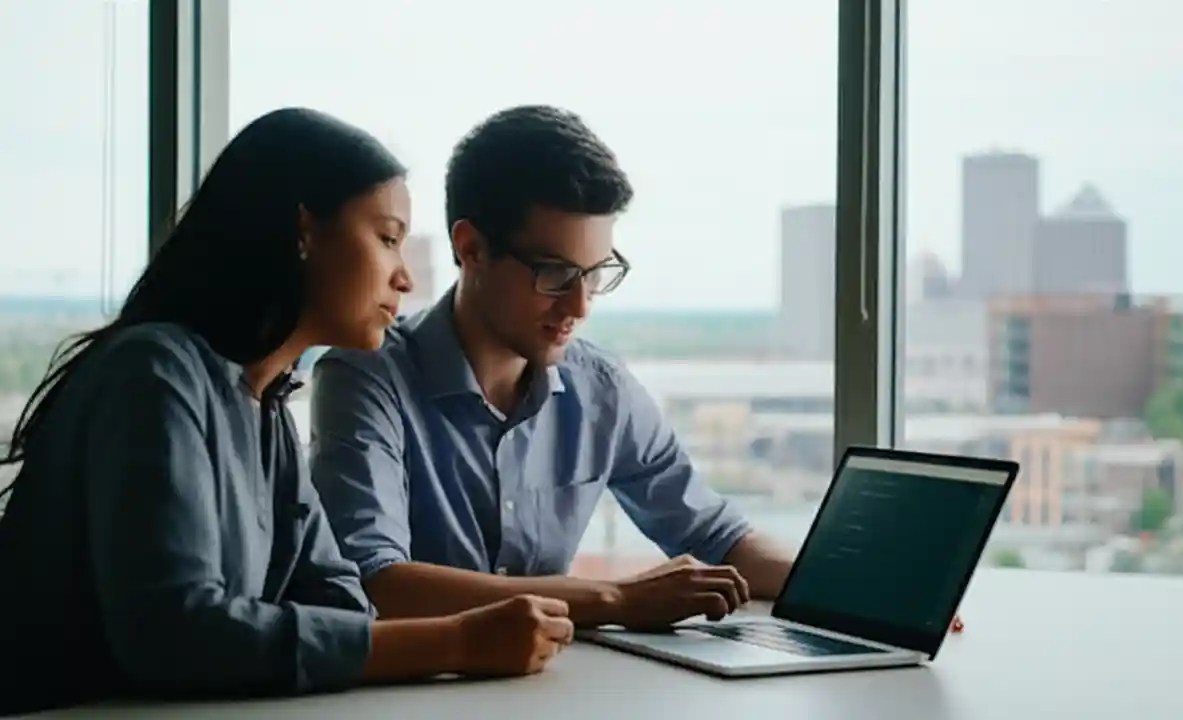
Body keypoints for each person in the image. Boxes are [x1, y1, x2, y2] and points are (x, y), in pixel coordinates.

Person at [0, 108, 572, 716]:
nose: (404, 278)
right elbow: (172, 632)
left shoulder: (263, 402)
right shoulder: (155, 374)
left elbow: (340, 598)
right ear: (304, 231)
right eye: (386, 237)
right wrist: (455, 641)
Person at [309, 105, 797, 630]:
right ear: (470, 248)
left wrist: (863, 593)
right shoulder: (366, 377)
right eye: (555, 274)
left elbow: (721, 539)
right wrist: (615, 599)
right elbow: (375, 580)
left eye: (594, 275)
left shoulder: (601, 389)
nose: (579, 307)